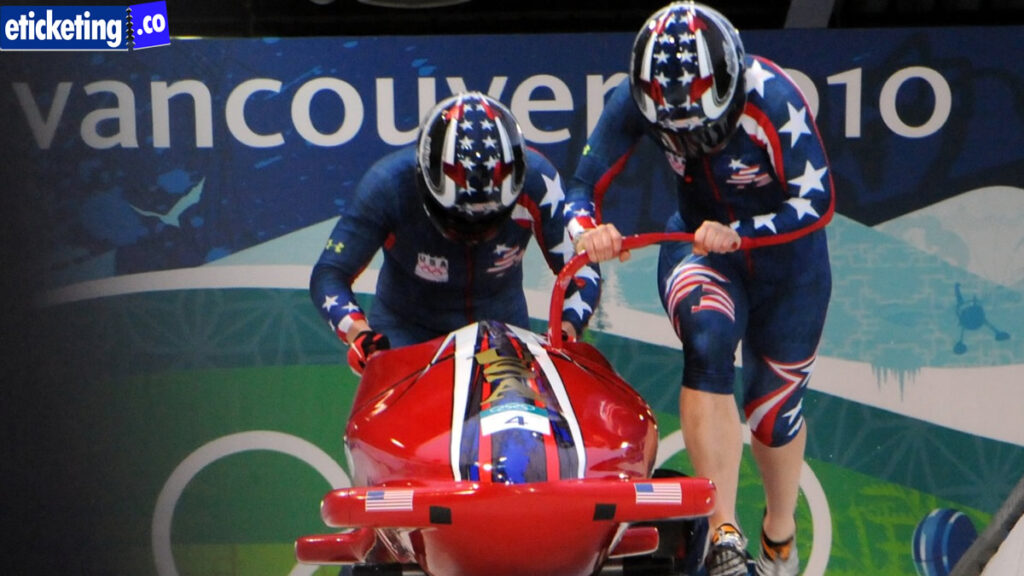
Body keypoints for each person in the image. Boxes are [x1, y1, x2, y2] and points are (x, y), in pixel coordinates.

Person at [570, 3, 834, 576]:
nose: (693, 140)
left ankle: (779, 537)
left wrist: (741, 233)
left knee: (773, 410)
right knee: (708, 340)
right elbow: (580, 187)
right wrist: (587, 231)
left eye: (704, 128)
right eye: (676, 133)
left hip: (789, 268)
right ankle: (725, 535)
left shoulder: (774, 98)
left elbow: (817, 201)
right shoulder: (634, 100)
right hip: (699, 248)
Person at [310, 91, 603, 374]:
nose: (473, 234)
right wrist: (359, 335)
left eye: (489, 220)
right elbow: (331, 272)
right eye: (458, 220)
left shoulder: (538, 182)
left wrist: (565, 332)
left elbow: (583, 269)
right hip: (407, 332)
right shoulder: (388, 186)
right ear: (426, 185)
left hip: (501, 330)